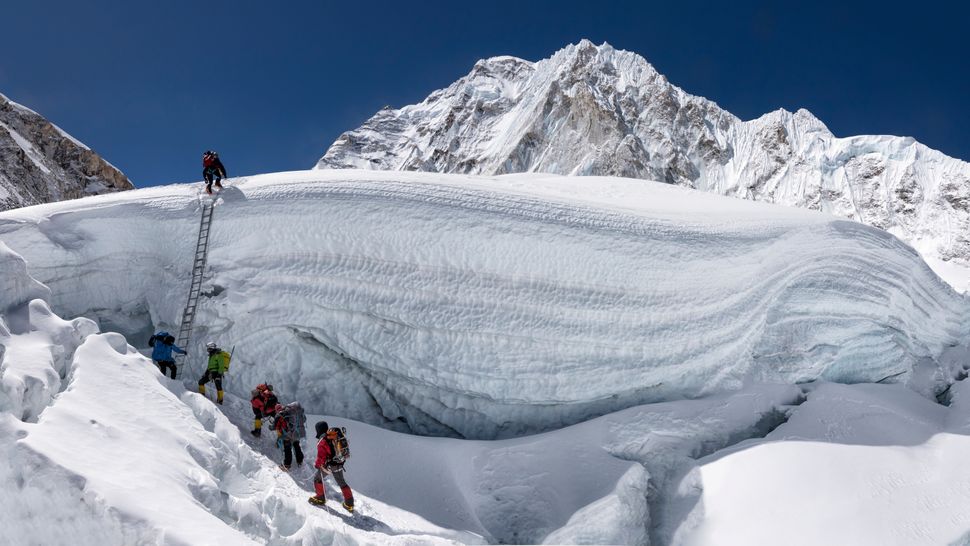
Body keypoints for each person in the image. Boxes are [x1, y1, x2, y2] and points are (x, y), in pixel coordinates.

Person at [309, 420, 355, 512]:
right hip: (339, 463)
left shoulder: (322, 441)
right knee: (342, 482)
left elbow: (321, 457)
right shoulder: (334, 436)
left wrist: (317, 465)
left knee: (317, 479)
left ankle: (320, 498)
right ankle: (349, 504)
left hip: (329, 465)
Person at [274, 402, 306, 471]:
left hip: (288, 434)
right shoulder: (294, 411)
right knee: (296, 445)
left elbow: (274, 427)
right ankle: (300, 461)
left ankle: (287, 465)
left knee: (287, 448)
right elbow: (304, 419)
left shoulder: (280, 414)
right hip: (298, 432)